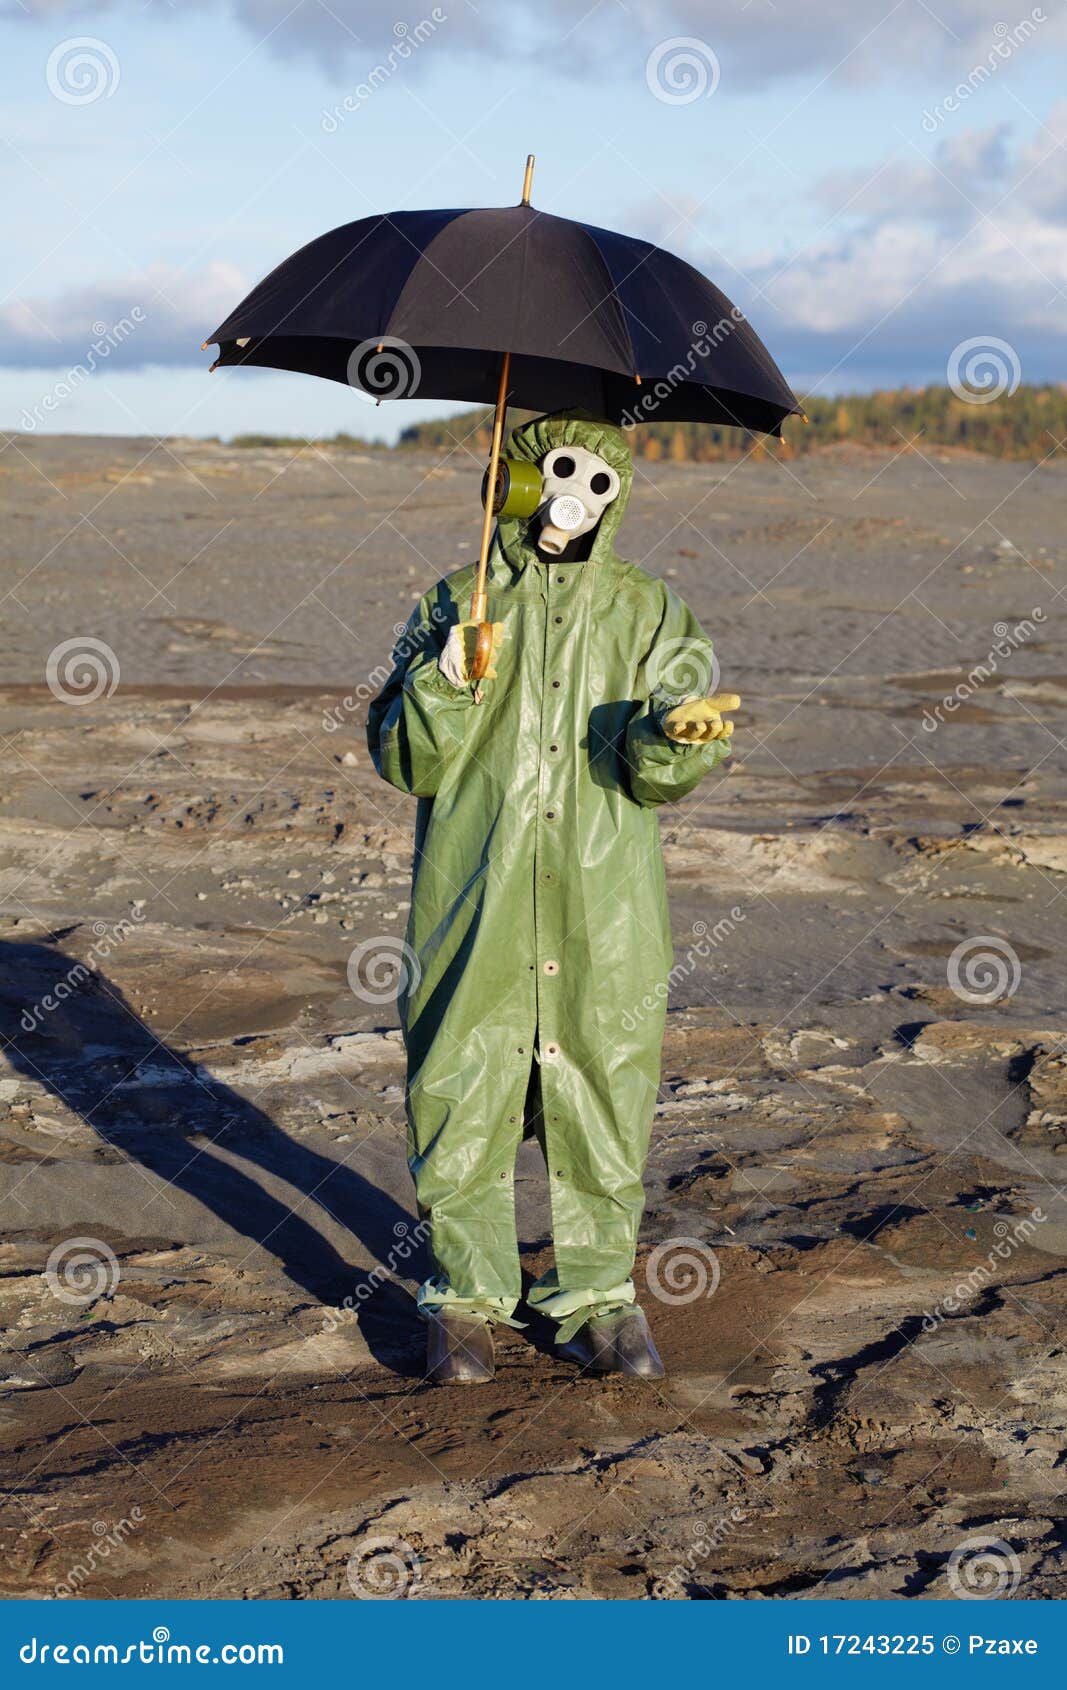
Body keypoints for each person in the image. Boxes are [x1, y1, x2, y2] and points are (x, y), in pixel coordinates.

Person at [367, 410, 737, 1384]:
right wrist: (443, 682)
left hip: (601, 904)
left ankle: (597, 1298)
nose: (572, 498)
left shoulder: (649, 614)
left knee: (604, 1084)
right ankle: (465, 1299)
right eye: (555, 473)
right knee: (462, 1081)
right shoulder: (455, 601)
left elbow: (661, 769)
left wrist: (678, 736)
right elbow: (405, 757)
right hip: (473, 899)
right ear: (517, 480)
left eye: (597, 482)